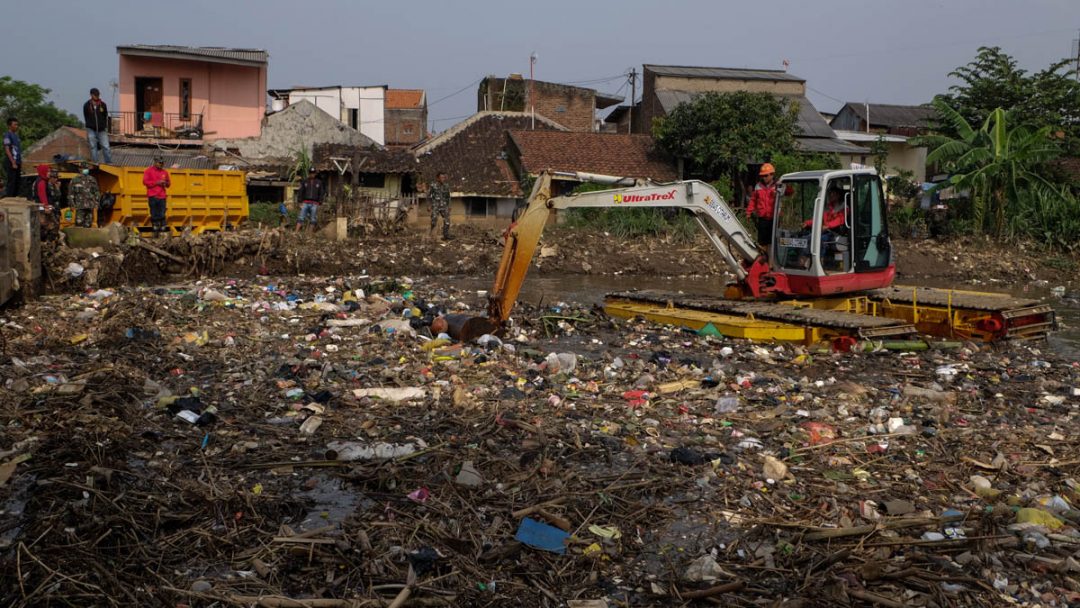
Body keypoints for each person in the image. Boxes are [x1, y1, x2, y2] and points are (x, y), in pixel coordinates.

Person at [746, 163, 777, 247]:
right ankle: (765, 257)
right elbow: (753, 200)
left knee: (773, 241)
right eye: (763, 175)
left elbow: (789, 192)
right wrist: (749, 212)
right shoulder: (758, 186)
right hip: (762, 218)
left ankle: (771, 258)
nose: (764, 177)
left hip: (774, 218)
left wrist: (783, 187)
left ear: (772, 175)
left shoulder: (778, 186)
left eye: (766, 175)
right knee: (762, 241)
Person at [83, 88, 112, 164]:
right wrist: (90, 125)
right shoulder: (86, 105)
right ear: (91, 95)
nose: (97, 96)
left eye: (98, 95)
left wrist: (103, 125)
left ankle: (109, 162)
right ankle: (95, 162)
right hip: (91, 129)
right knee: (93, 146)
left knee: (106, 146)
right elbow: (86, 116)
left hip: (101, 129)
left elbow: (105, 115)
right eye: (95, 95)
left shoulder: (103, 105)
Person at [143, 155, 171, 235]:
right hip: (153, 195)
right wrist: (156, 183)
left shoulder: (165, 172)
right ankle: (155, 227)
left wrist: (165, 183)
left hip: (162, 196)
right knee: (154, 213)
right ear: (155, 162)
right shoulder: (148, 171)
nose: (161, 164)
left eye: (162, 163)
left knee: (162, 212)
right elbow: (145, 182)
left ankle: (163, 227)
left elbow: (169, 184)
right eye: (160, 163)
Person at [295, 167, 324, 232]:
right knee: (301, 217)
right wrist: (299, 201)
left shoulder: (319, 182)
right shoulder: (305, 181)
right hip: (305, 203)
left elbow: (321, 193)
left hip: (314, 203)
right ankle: (295, 233)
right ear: (309, 173)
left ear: (315, 174)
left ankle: (309, 235)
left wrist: (320, 202)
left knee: (313, 219)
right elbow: (300, 191)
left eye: (313, 173)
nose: (312, 174)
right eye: (311, 173)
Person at [428, 171, 451, 240]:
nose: (443, 179)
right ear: (437, 178)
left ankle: (446, 235)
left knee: (447, 221)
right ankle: (432, 234)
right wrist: (429, 205)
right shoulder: (433, 185)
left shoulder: (446, 186)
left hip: (444, 206)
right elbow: (428, 195)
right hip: (435, 205)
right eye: (441, 177)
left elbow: (448, 196)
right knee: (434, 220)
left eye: (444, 177)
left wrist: (449, 205)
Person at [3, 118, 21, 197]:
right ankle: (9, 198)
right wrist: (13, 162)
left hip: (17, 161)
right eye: (15, 125)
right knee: (11, 182)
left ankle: (15, 197)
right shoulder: (7, 135)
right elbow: (7, 149)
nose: (16, 126)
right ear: (9, 126)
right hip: (11, 162)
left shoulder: (16, 136)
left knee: (17, 181)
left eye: (17, 124)